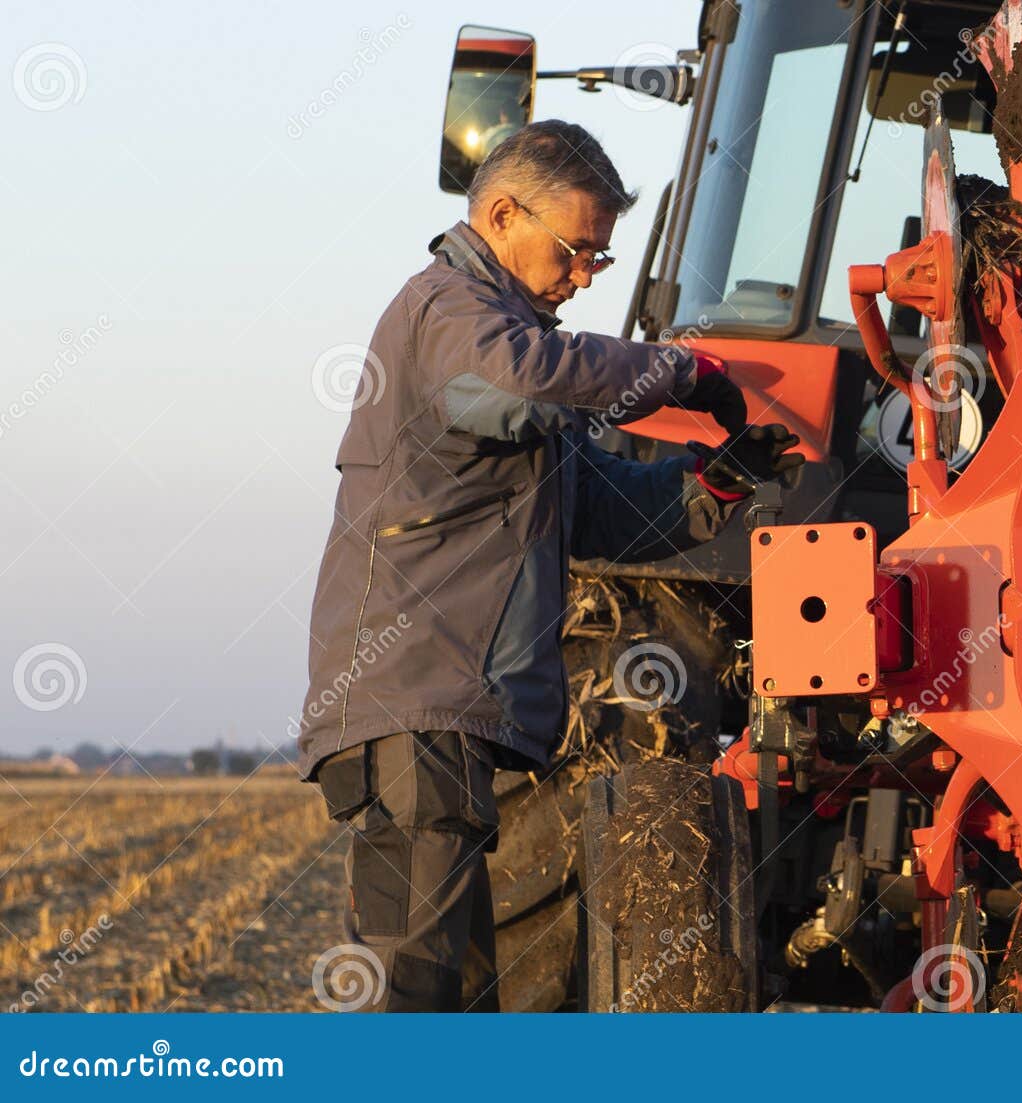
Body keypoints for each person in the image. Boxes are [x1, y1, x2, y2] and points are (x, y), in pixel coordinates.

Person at [296, 120, 801, 1011]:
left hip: (453, 715)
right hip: (416, 699)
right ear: (500, 214)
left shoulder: (500, 347)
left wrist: (720, 483)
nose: (583, 278)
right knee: (412, 994)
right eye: (577, 252)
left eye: (600, 262)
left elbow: (602, 507)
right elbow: (532, 383)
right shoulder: (447, 313)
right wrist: (677, 371)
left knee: (464, 1001)